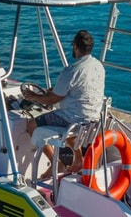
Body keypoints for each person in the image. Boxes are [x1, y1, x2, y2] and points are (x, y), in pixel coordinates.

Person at [23, 30, 106, 172]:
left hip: (72, 118)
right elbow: (79, 90)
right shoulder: (99, 66)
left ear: (75, 47)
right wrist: (53, 92)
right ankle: (79, 160)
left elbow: (52, 100)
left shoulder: (72, 70)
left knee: (32, 125)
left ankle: (57, 164)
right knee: (68, 125)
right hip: (92, 118)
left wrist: (32, 97)